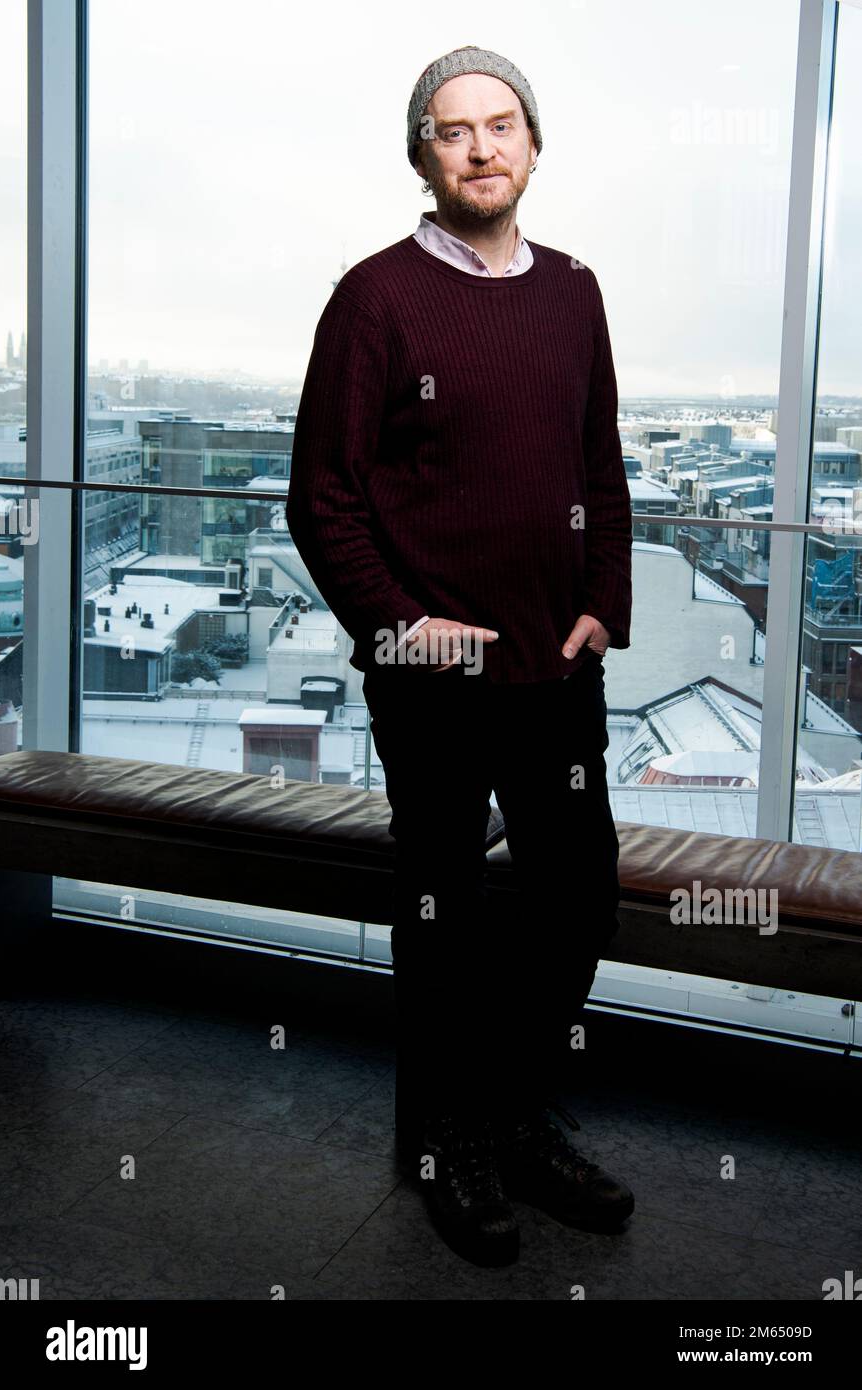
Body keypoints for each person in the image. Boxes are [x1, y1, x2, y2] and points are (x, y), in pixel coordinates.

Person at [286, 45, 635, 1267]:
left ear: (534, 146)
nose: (479, 147)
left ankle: (502, 1114)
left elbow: (599, 465)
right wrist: (397, 623)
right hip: (430, 684)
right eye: (452, 130)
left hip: (557, 671)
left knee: (576, 892)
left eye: (500, 126)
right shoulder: (373, 297)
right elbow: (320, 497)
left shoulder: (575, 291)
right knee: (439, 911)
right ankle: (446, 1145)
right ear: (420, 154)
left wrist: (604, 599)